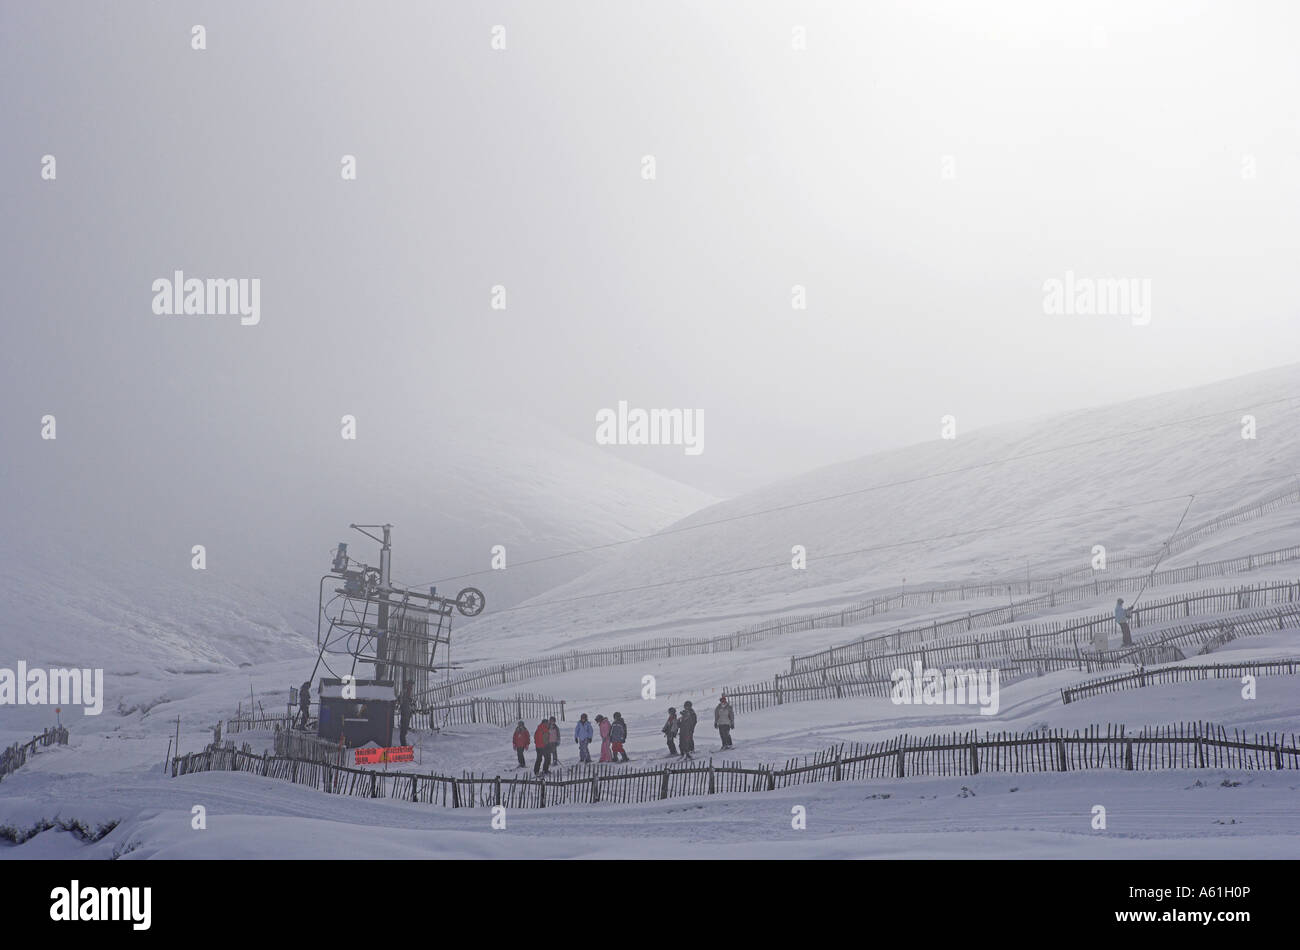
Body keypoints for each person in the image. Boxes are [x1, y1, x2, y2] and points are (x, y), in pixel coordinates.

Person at [398, 679, 414, 746]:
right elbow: (404, 701)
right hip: (405, 713)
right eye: (411, 684)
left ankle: (403, 744)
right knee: (403, 730)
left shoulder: (407, 691)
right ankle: (403, 745)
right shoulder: (406, 691)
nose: (412, 686)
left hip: (406, 713)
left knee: (404, 730)